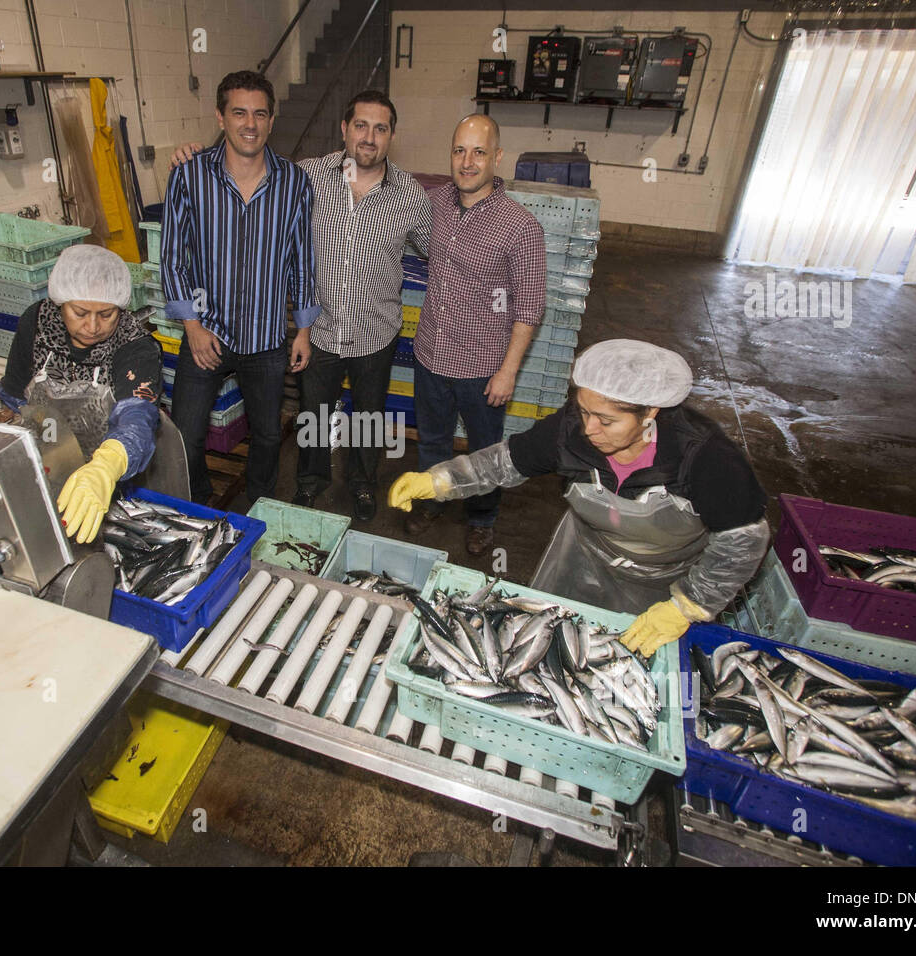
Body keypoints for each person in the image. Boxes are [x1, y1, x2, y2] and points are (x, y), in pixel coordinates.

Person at [389, 339, 770, 657]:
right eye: (585, 411)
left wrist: (688, 605)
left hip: (669, 576)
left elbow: (743, 539)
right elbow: (504, 462)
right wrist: (440, 480)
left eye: (606, 421)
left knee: (638, 653)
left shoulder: (704, 456)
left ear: (650, 412)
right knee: (548, 647)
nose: (589, 429)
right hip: (585, 556)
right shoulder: (570, 429)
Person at [169, 90, 431, 521]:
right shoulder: (305, 176)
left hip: (376, 330)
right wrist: (190, 155)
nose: (369, 137)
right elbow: (250, 167)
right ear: (344, 129)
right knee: (315, 417)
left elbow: (437, 250)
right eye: (360, 126)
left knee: (367, 417)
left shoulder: (411, 196)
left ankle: (363, 486)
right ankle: (311, 483)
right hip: (321, 329)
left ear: (391, 136)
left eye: (380, 128)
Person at [160, 70, 320, 505]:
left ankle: (258, 508)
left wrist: (303, 329)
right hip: (204, 335)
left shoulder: (294, 183)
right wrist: (192, 326)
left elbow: (301, 259)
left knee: (268, 436)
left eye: (260, 114)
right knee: (184, 437)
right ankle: (203, 508)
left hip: (267, 342)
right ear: (220, 117)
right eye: (239, 113)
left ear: (272, 120)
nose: (250, 124)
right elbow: (173, 258)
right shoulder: (189, 175)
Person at [407, 114, 545, 556]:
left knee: (485, 452)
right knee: (432, 440)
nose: (467, 162)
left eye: (479, 152)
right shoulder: (434, 202)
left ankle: (482, 518)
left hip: (482, 367)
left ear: (497, 157)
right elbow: (380, 193)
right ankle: (431, 500)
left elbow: (529, 307)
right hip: (430, 354)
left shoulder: (521, 227)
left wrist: (508, 372)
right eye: (459, 150)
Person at [0, 244, 162, 544]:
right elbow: (14, 396)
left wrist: (104, 468)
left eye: (106, 314)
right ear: (61, 302)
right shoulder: (36, 323)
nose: (92, 326)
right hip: (47, 456)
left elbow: (137, 418)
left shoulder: (135, 345)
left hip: (110, 475)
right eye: (80, 312)